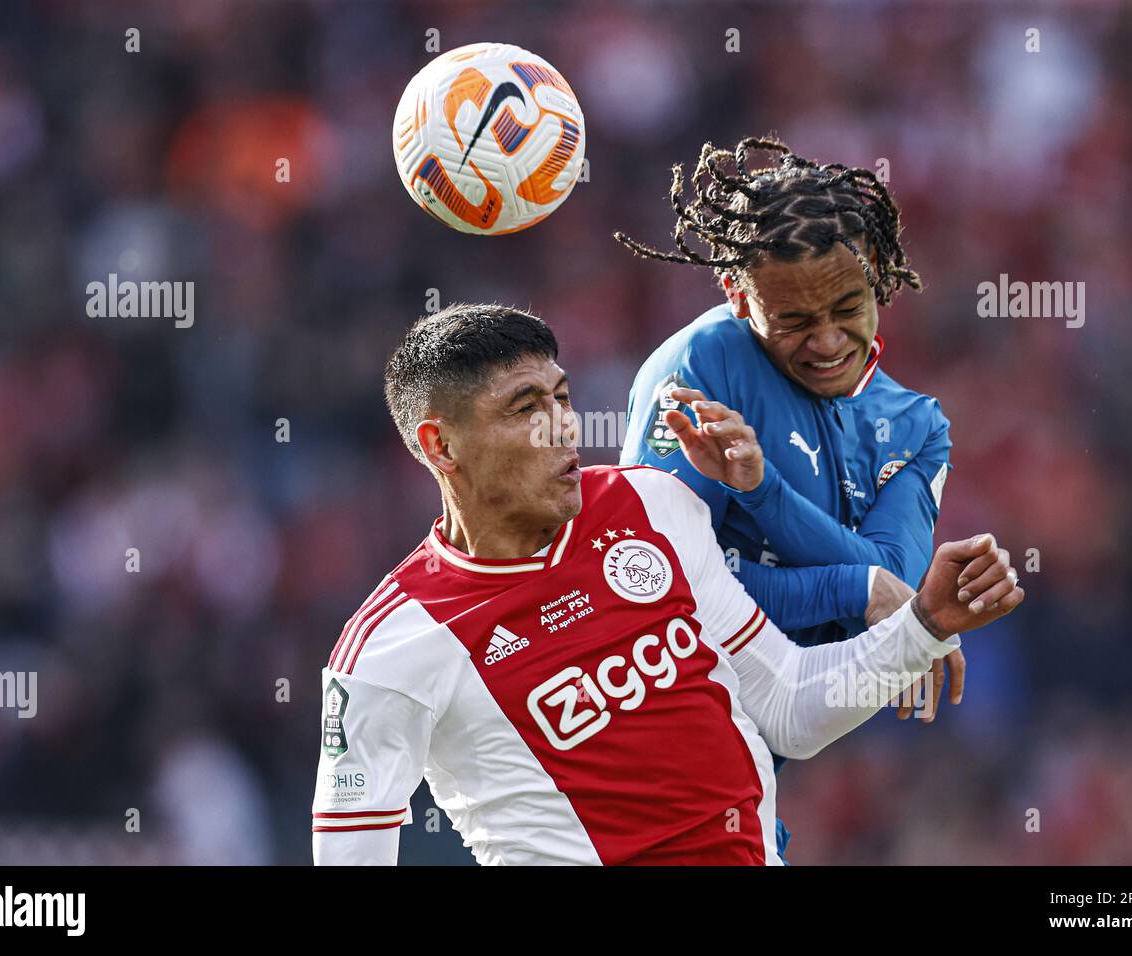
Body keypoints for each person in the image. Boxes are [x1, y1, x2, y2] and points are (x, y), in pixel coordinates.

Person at [311, 303, 1022, 866]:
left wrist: (922, 624)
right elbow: (350, 852)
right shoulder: (394, 645)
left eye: (562, 397)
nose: (562, 427)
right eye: (525, 409)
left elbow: (787, 706)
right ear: (440, 446)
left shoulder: (650, 506)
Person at [615, 139, 970, 857]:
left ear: (878, 276)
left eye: (849, 306)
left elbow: (883, 603)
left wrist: (766, 495)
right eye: (796, 323)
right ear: (738, 296)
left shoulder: (917, 429)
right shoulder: (702, 367)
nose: (830, 341)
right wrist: (852, 582)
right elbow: (655, 596)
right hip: (635, 781)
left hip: (745, 785)